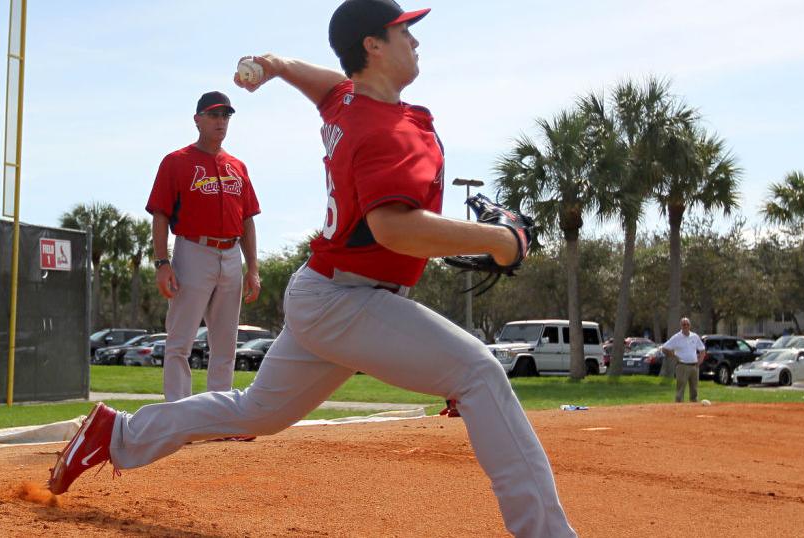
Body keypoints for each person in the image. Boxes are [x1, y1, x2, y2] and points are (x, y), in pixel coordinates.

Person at [48, 2, 576, 536]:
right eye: (404, 31)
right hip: (347, 300)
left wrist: (276, 64)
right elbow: (392, 227)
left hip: (325, 292)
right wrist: (503, 241)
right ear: (372, 45)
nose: (414, 41)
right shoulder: (385, 130)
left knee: (257, 411)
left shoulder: (349, 102)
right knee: (479, 372)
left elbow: (324, 86)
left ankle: (116, 433)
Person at [145, 90, 262, 402]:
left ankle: (217, 416)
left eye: (225, 115)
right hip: (193, 251)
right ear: (197, 120)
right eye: (213, 114)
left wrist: (253, 269)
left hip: (231, 254)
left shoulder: (237, 165)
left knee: (225, 344)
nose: (220, 121)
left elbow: (248, 219)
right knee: (180, 342)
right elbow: (160, 214)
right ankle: (179, 416)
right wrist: (162, 263)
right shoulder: (176, 162)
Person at [661, 317, 706, 403]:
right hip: (682, 366)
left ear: (690, 326)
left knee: (694, 390)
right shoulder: (676, 337)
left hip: (694, 366)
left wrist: (699, 361)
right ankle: (679, 409)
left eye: (687, 324)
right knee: (680, 390)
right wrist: (673, 355)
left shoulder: (694, 336)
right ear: (681, 326)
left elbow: (702, 350)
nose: (685, 326)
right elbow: (664, 348)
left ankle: (693, 408)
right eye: (684, 324)